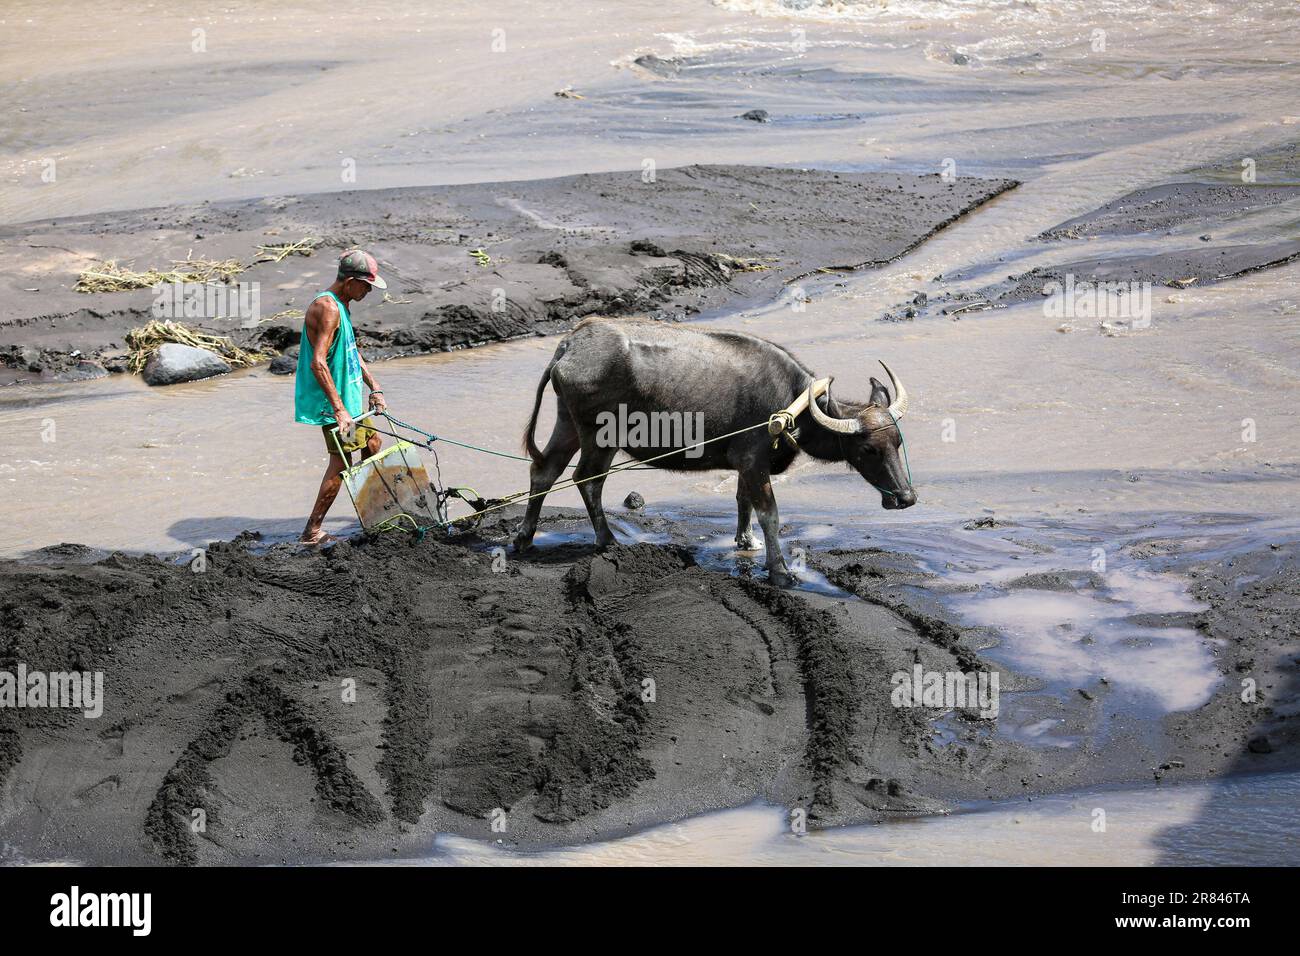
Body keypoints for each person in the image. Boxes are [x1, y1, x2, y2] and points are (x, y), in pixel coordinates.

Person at [294, 249, 389, 545]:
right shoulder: (328, 307)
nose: (369, 291)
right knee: (342, 462)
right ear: (349, 282)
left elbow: (350, 350)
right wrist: (339, 410)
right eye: (366, 285)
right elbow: (318, 362)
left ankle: (374, 511)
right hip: (332, 402)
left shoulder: (342, 306)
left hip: (348, 397)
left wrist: (374, 386)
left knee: (373, 442)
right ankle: (312, 531)